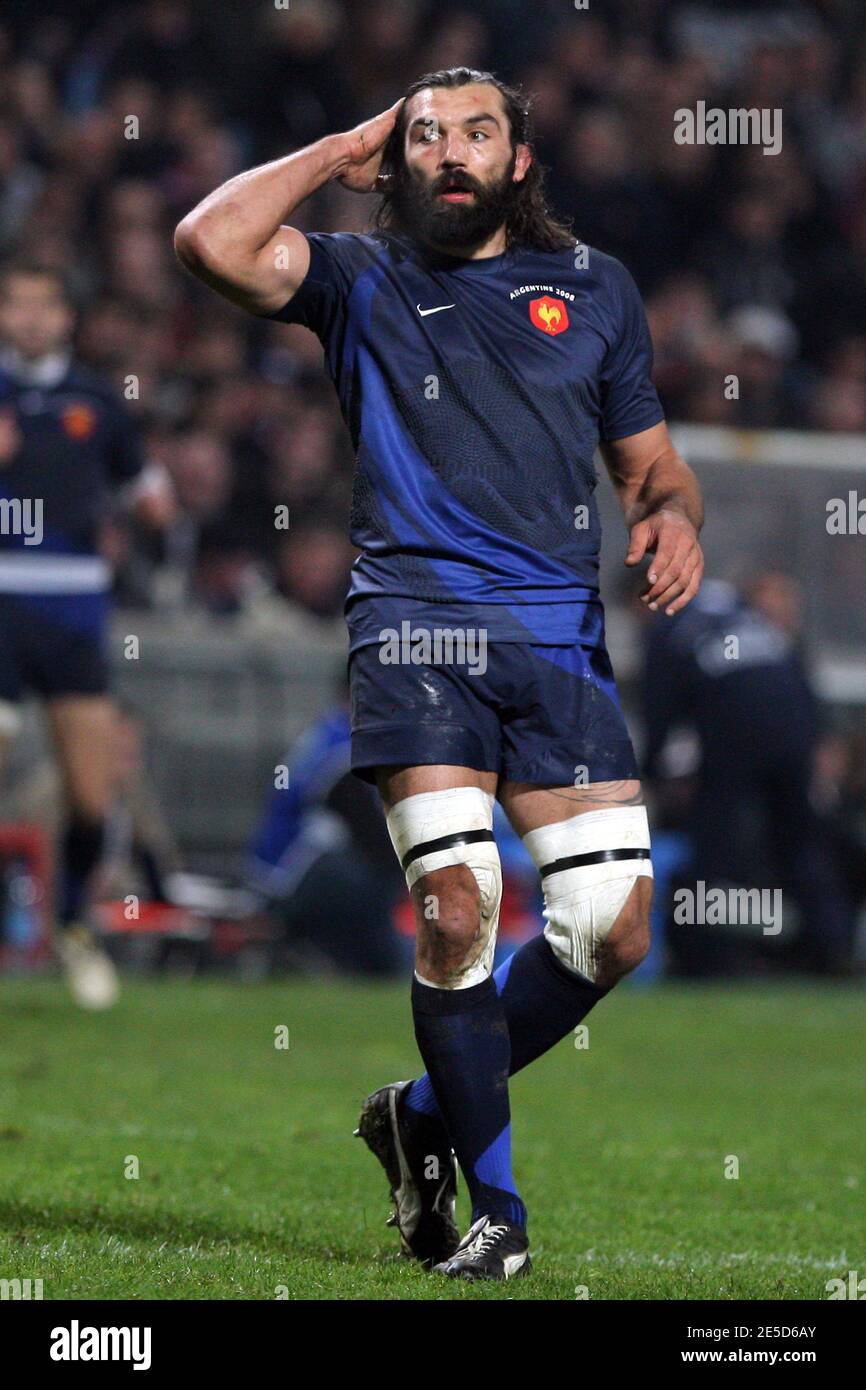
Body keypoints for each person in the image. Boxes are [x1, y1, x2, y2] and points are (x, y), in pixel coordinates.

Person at [175, 66, 704, 1280]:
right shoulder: (361, 280)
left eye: (476, 133)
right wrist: (335, 147)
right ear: (396, 161)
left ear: (520, 161)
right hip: (413, 633)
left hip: (557, 639)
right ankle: (498, 1214)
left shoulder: (595, 290)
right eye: (424, 136)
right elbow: (208, 239)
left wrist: (672, 514)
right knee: (457, 909)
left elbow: (653, 465)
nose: (450, 151)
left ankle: (417, 1111)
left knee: (609, 929)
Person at [0, 260, 170, 1008]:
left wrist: (154, 516)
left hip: (74, 609)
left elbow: (147, 492)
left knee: (90, 795)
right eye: (16, 306)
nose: (30, 319)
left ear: (65, 318)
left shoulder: (98, 402)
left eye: (43, 306)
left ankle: (74, 926)